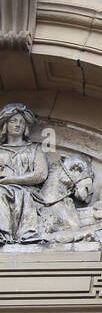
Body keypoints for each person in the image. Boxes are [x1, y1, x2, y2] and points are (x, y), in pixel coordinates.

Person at [0, 103, 49, 245]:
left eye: (21, 122)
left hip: (27, 191)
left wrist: (12, 179)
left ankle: (22, 233)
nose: (18, 125)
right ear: (5, 125)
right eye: (13, 121)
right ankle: (3, 234)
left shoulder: (35, 149)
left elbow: (41, 174)